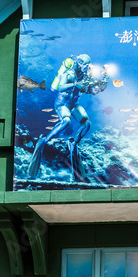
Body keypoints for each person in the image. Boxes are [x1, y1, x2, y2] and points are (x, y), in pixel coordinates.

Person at [26, 54, 107, 182]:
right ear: (79, 63)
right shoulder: (69, 74)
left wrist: (100, 85)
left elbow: (90, 90)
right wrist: (75, 84)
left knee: (86, 123)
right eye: (85, 65)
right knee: (66, 121)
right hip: (62, 104)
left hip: (74, 105)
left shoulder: (84, 76)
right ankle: (44, 141)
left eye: (88, 65)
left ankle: (73, 143)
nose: (86, 67)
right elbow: (60, 87)